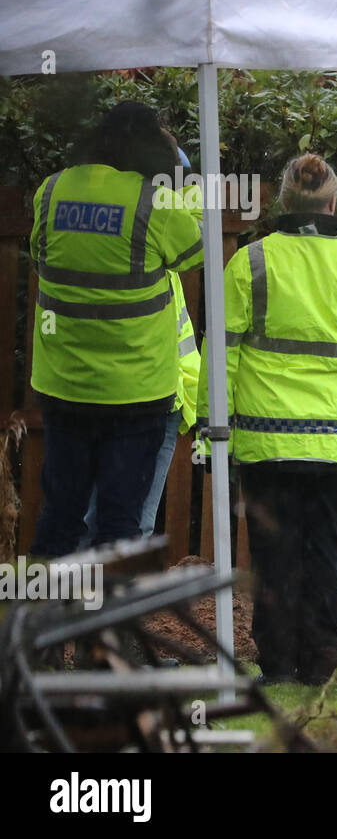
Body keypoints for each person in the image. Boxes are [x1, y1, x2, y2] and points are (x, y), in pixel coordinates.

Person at [198, 153, 337, 685]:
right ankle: (320, 661)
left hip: (265, 446)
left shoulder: (250, 263)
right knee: (328, 557)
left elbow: (220, 353)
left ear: (283, 201)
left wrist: (209, 433)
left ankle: (276, 667)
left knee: (273, 559)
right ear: (333, 202)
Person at [29, 102, 204, 557]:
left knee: (60, 514)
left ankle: (44, 605)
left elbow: (40, 256)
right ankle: (109, 606)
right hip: (134, 394)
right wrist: (181, 173)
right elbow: (196, 249)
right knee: (120, 522)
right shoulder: (154, 201)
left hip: (63, 386)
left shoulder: (51, 191)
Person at [83, 270, 199, 539]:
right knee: (106, 520)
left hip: (163, 405)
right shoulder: (124, 264)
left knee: (133, 522)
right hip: (127, 404)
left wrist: (194, 406)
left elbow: (183, 342)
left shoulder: (169, 272)